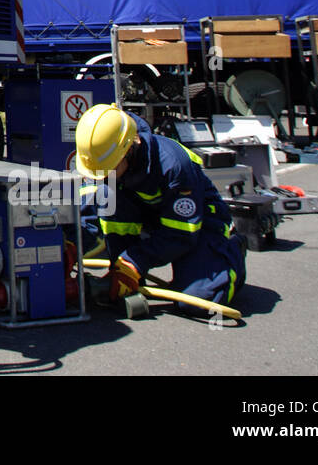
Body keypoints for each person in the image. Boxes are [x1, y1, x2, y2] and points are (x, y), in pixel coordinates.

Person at [74, 104, 246, 315]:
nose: (103, 177)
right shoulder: (100, 158)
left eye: (110, 169)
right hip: (153, 221)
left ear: (131, 148)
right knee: (110, 199)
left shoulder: (173, 166)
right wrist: (69, 246)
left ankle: (231, 252)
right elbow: (93, 215)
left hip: (196, 224)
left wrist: (133, 262)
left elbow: (181, 233)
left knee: (199, 301)